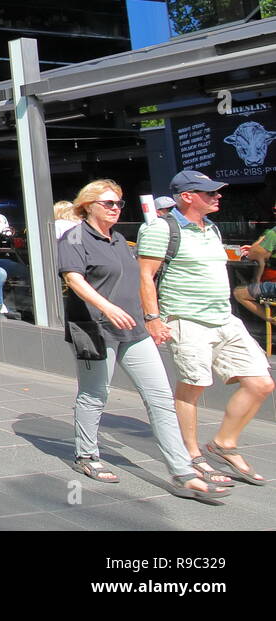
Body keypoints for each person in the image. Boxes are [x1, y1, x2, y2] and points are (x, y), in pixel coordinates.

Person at [60, 180, 230, 501]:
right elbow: (74, 278)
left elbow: (140, 278)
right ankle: (86, 455)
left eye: (119, 204)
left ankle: (183, 472)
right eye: (109, 203)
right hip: (92, 327)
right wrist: (107, 307)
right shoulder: (75, 237)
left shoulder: (120, 238)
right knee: (95, 393)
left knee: (160, 397)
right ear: (88, 205)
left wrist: (151, 317)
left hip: (133, 328)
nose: (115, 208)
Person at [139, 169, 275, 485]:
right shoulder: (161, 229)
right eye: (210, 193)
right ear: (188, 197)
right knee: (193, 385)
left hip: (224, 318)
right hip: (186, 320)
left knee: (261, 383)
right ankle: (192, 455)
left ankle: (224, 443)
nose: (218, 196)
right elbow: (146, 275)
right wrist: (153, 318)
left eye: (216, 192)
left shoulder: (211, 227)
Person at [232, 201, 276, 322]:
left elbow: (253, 255)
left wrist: (259, 244)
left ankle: (272, 320)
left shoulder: (273, 232)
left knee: (239, 293)